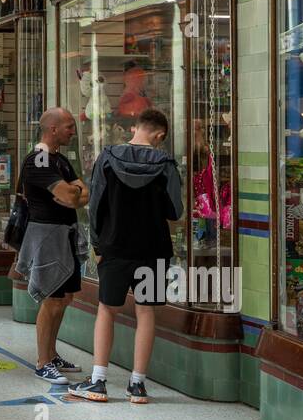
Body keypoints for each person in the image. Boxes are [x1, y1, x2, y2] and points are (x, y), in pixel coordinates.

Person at [70, 107, 182, 405]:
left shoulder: (107, 157)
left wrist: (97, 245)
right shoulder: (166, 162)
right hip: (153, 248)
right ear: (160, 135)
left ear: (135, 128)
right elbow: (176, 210)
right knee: (146, 311)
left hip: (115, 247)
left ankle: (98, 381)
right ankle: (137, 385)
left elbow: (94, 205)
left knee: (107, 309)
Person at [15, 107, 89, 385]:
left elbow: (82, 194)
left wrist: (74, 194)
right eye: (69, 126)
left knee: (64, 299)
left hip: (66, 234)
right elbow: (72, 197)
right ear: (52, 129)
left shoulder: (61, 160)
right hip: (47, 237)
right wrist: (73, 195)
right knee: (52, 299)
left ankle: (53, 354)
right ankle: (43, 362)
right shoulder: (40, 160)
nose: (73, 131)